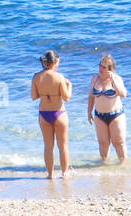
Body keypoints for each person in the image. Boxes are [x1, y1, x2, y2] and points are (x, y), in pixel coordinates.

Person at [31, 50, 73, 180]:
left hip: (44, 113)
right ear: (54, 62)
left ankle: (50, 174)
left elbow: (34, 96)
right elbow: (66, 97)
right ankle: (65, 173)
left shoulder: (36, 77)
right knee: (63, 146)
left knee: (48, 147)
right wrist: (69, 85)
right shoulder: (59, 77)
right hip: (59, 113)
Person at [88, 54, 128, 164]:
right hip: (99, 115)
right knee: (103, 142)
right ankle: (104, 167)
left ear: (110, 69)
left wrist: (113, 81)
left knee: (118, 142)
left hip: (116, 115)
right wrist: (89, 112)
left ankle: (123, 166)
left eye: (104, 67)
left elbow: (123, 94)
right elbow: (91, 96)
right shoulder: (95, 79)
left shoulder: (117, 79)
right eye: (100, 66)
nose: (101, 69)